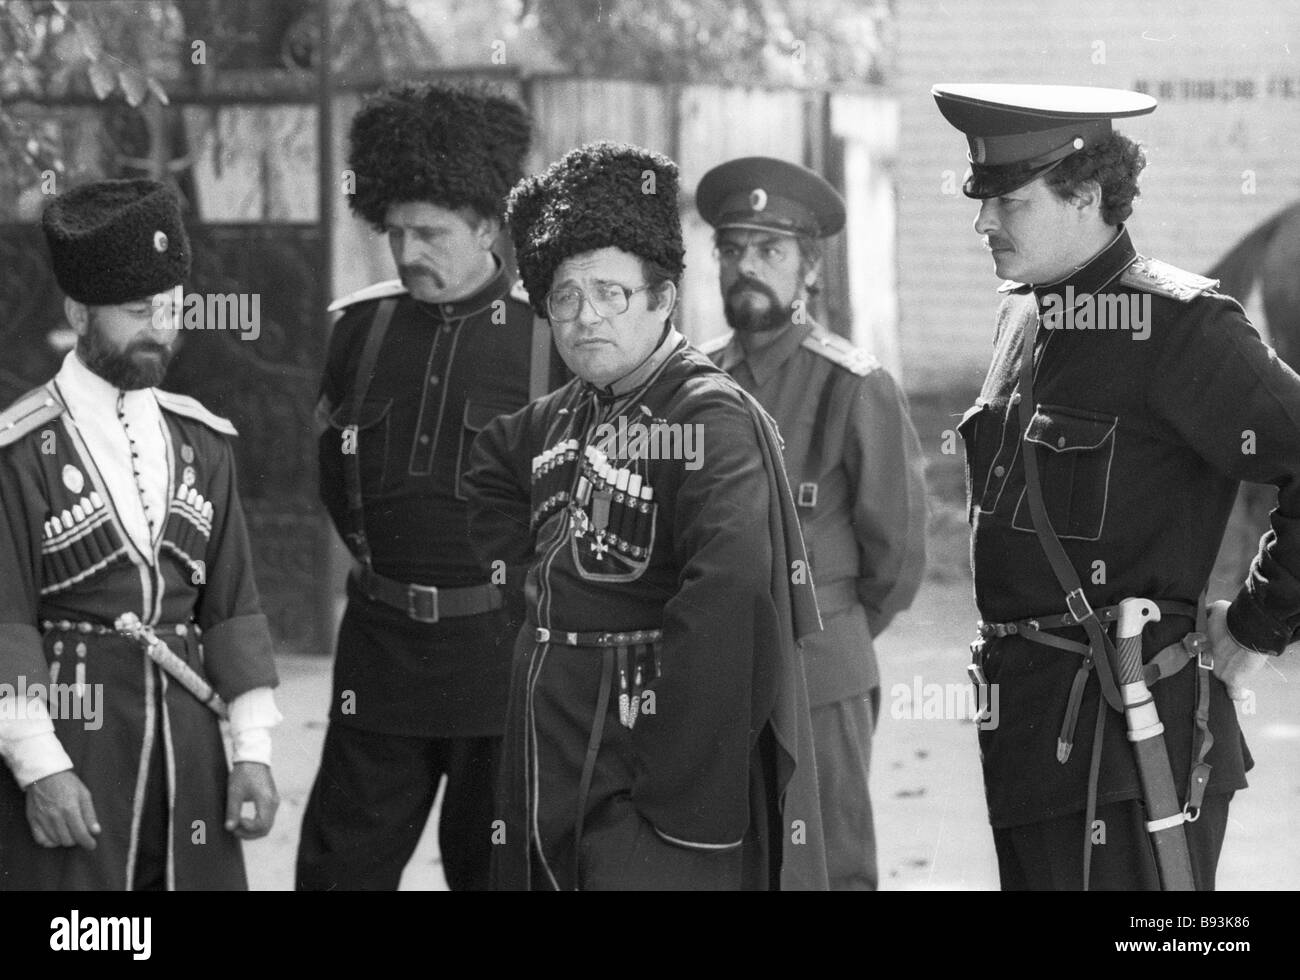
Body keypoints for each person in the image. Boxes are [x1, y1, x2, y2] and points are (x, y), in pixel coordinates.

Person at [933, 82, 1300, 890]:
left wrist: (1260, 622)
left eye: (1008, 201)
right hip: (1027, 741)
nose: (982, 222)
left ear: (1086, 195)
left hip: (1132, 750)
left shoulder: (1184, 328)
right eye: (980, 198)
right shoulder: (1024, 316)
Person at [464, 141, 827, 891]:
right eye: (565, 297)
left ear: (663, 299)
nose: (585, 316)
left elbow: (726, 601)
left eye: (611, 293)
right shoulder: (563, 412)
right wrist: (532, 591)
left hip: (645, 770)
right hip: (549, 755)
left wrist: (676, 802)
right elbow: (490, 467)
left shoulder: (707, 415)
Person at [298, 83, 561, 891]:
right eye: (396, 231)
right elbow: (335, 480)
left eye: (431, 233)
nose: (408, 251)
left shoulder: (549, 339)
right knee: (337, 876)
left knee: (495, 877)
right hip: (379, 665)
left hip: (500, 668)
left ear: (487, 226)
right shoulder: (359, 329)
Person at [0, 178, 280, 890]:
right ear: (78, 312)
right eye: (136, 311)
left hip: (190, 756)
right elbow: (5, 625)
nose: (160, 327)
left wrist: (252, 752)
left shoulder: (203, 441)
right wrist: (42, 768)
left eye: (172, 307)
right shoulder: (21, 451)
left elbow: (234, 610)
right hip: (78, 747)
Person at [696, 156, 928, 890]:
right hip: (713, 666)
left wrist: (829, 628)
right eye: (732, 250)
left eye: (769, 251)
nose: (746, 267)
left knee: (828, 866)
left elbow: (896, 556)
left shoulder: (853, 386)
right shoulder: (696, 384)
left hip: (819, 666)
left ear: (810, 270)